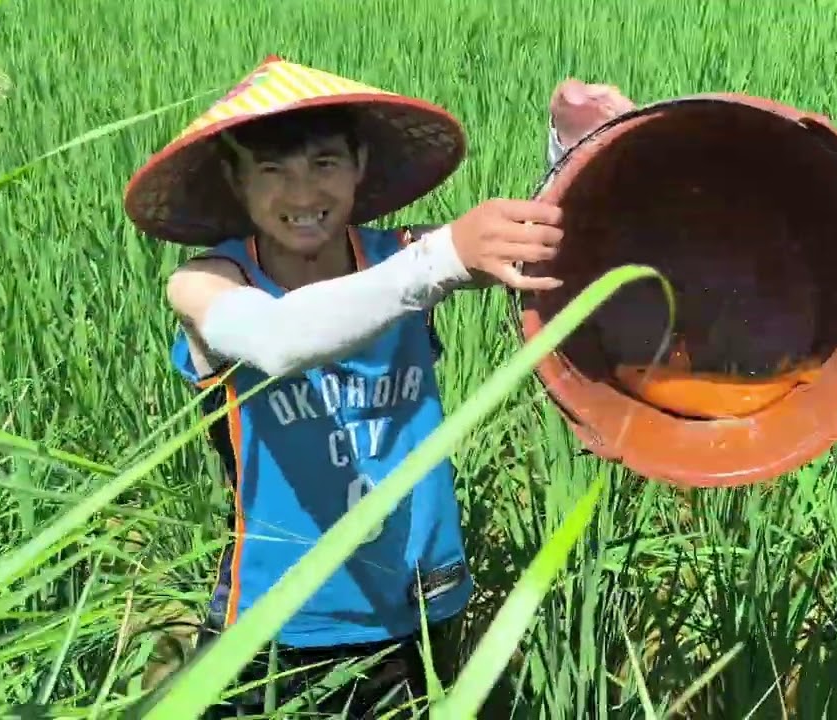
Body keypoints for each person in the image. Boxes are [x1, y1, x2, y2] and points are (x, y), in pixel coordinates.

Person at [122, 56, 633, 719]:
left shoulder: (400, 256)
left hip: (414, 610)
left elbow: (544, 254)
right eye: (272, 172)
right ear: (235, 181)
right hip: (277, 626)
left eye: (324, 165)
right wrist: (443, 258)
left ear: (360, 164)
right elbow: (277, 341)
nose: (302, 194)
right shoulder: (209, 283)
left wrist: (576, 150)